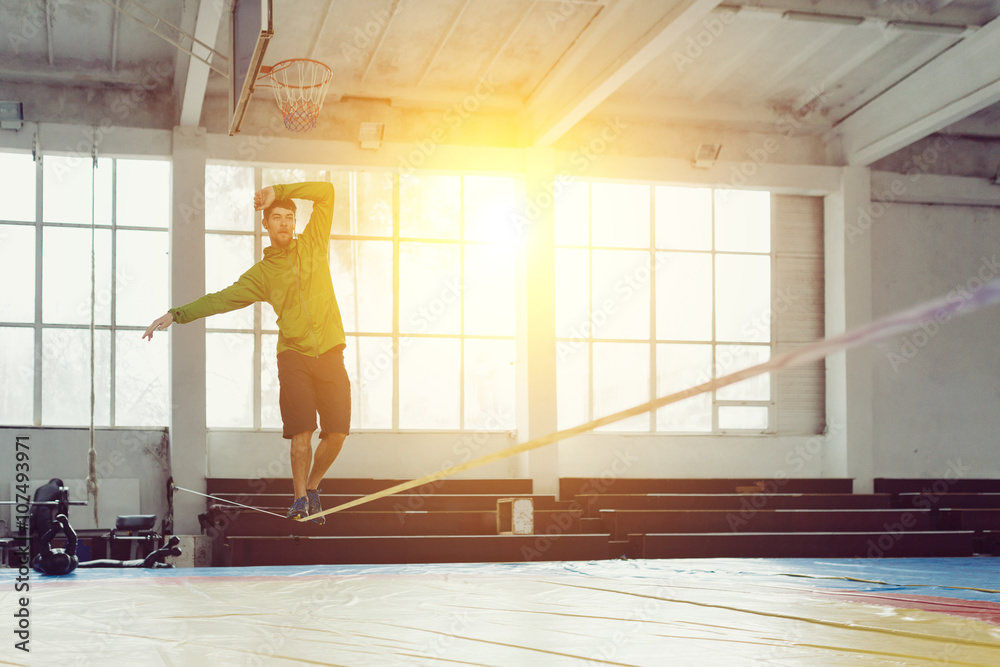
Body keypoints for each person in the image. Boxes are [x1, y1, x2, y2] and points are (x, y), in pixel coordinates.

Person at [143, 182, 350, 524]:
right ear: (265, 225)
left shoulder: (314, 244)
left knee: (338, 432)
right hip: (294, 356)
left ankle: (313, 488)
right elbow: (220, 299)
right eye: (277, 218)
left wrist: (280, 190)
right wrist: (176, 314)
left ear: (295, 223)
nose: (284, 223)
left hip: (330, 352)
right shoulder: (263, 274)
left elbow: (327, 191)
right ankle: (299, 499)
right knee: (302, 434)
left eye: (289, 217)